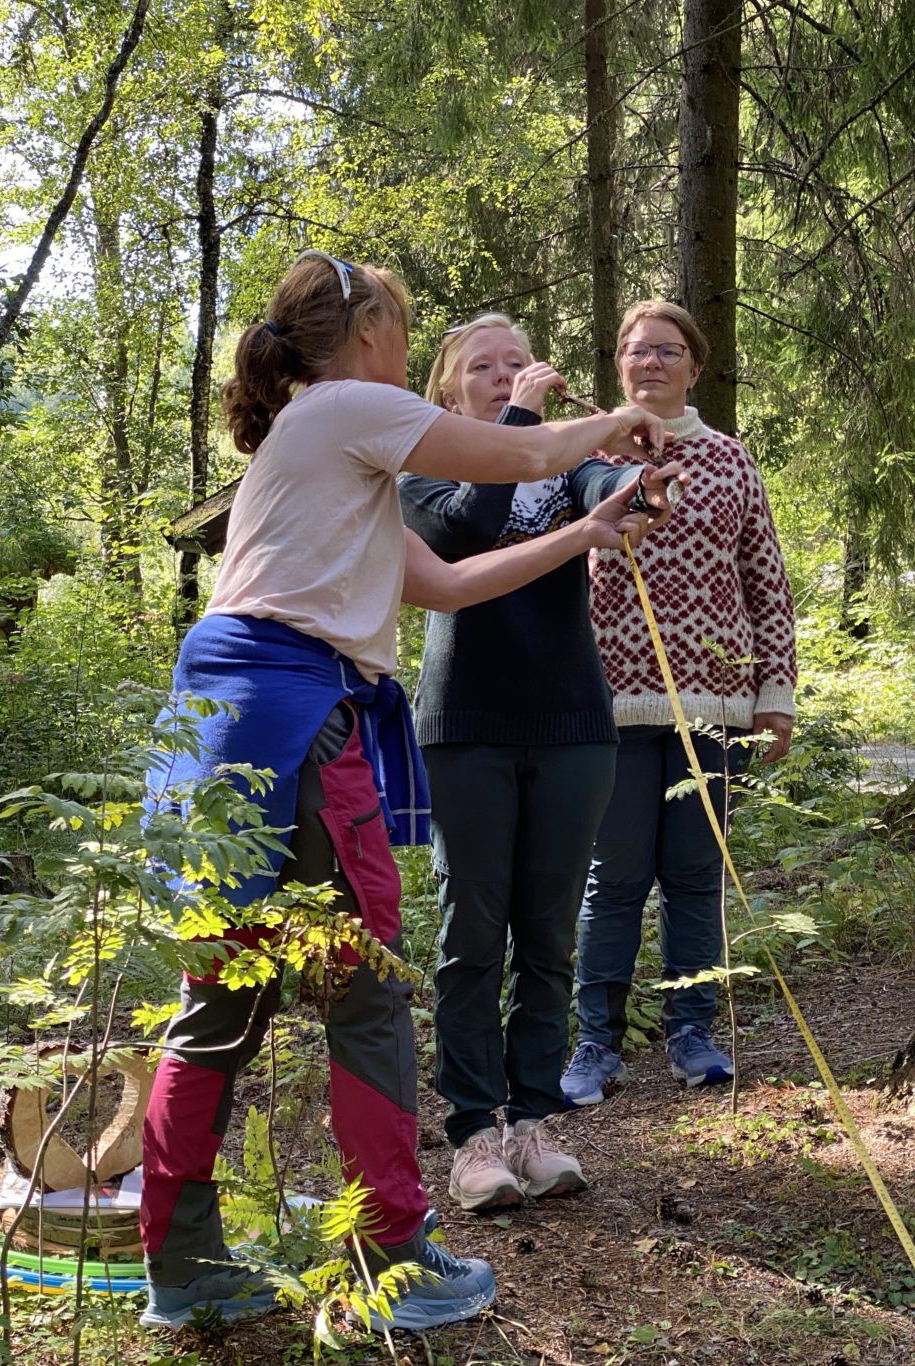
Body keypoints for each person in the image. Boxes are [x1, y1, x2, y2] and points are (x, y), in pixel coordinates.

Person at [138, 251, 680, 1335]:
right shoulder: (350, 406)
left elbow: (442, 583)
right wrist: (610, 420)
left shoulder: (321, 443)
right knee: (367, 989)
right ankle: (390, 1255)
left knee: (226, 994)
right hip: (293, 716)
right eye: (409, 325)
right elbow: (515, 450)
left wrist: (583, 530)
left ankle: (181, 1261)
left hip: (220, 725)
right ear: (374, 332)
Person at [398, 315, 679, 1214]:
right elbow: (463, 535)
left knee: (549, 935)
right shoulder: (421, 468)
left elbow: (611, 479)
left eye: (518, 362)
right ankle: (474, 1133)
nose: (507, 374)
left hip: (573, 725)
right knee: (472, 935)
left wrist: (638, 473)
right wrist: (521, 421)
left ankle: (533, 1122)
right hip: (465, 725)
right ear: (449, 394)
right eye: (483, 368)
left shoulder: (564, 463)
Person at [560, 300, 796, 1108]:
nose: (651, 363)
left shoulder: (731, 462)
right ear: (619, 366)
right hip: (611, 705)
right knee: (615, 877)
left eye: (667, 351)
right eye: (636, 351)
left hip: (718, 707)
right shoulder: (587, 454)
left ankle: (692, 1031)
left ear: (695, 366)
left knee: (695, 876)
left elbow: (767, 582)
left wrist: (776, 696)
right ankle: (596, 1042)